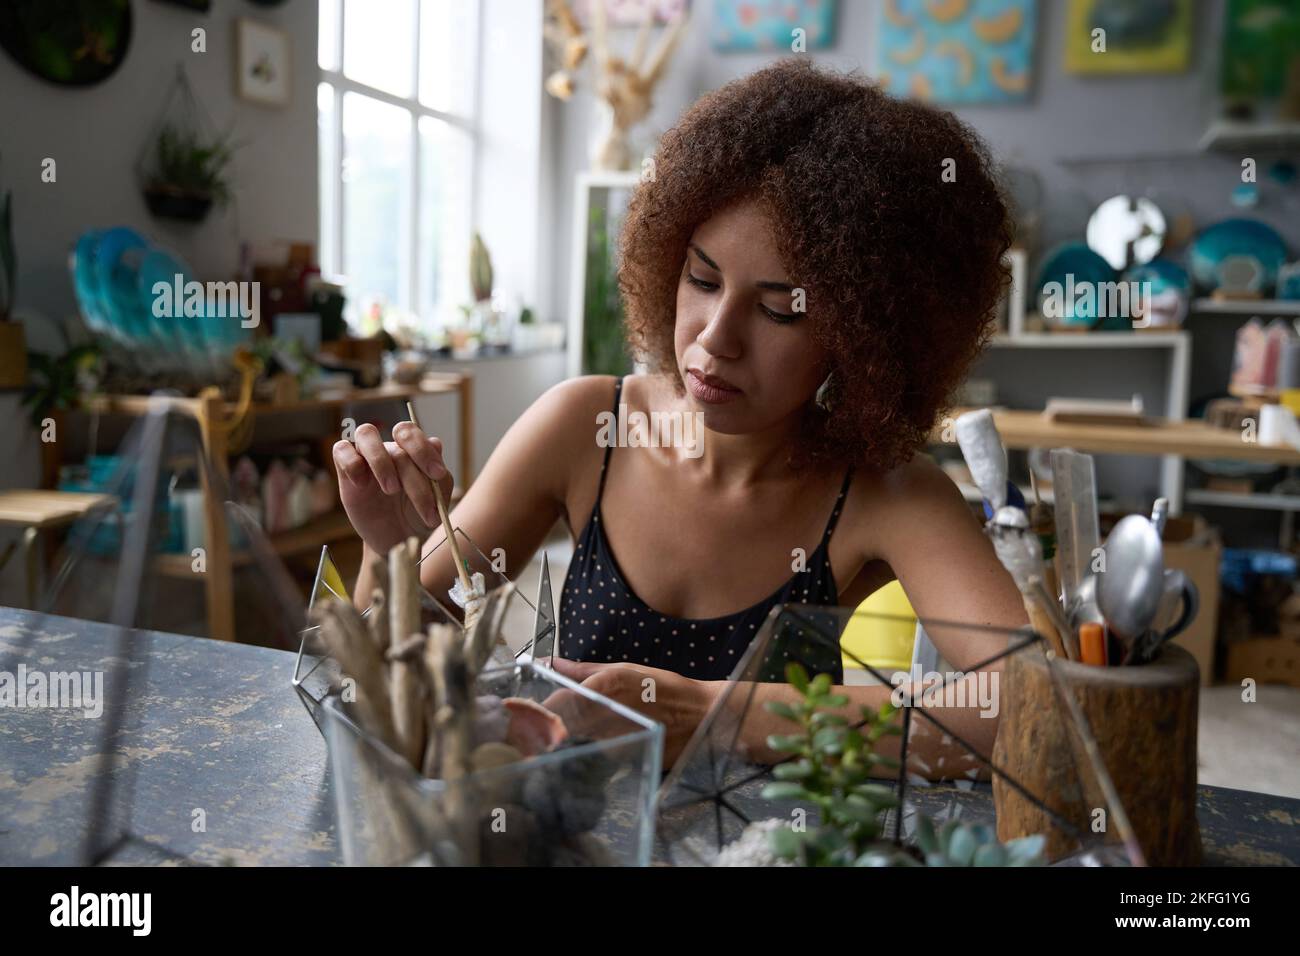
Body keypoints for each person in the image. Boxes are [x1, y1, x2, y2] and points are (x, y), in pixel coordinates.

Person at [333, 59, 1027, 772]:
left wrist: (716, 714)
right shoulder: (584, 427)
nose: (714, 338)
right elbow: (389, 674)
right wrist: (387, 550)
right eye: (702, 279)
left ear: (864, 338)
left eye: (779, 310)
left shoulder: (885, 494)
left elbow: (1034, 700)